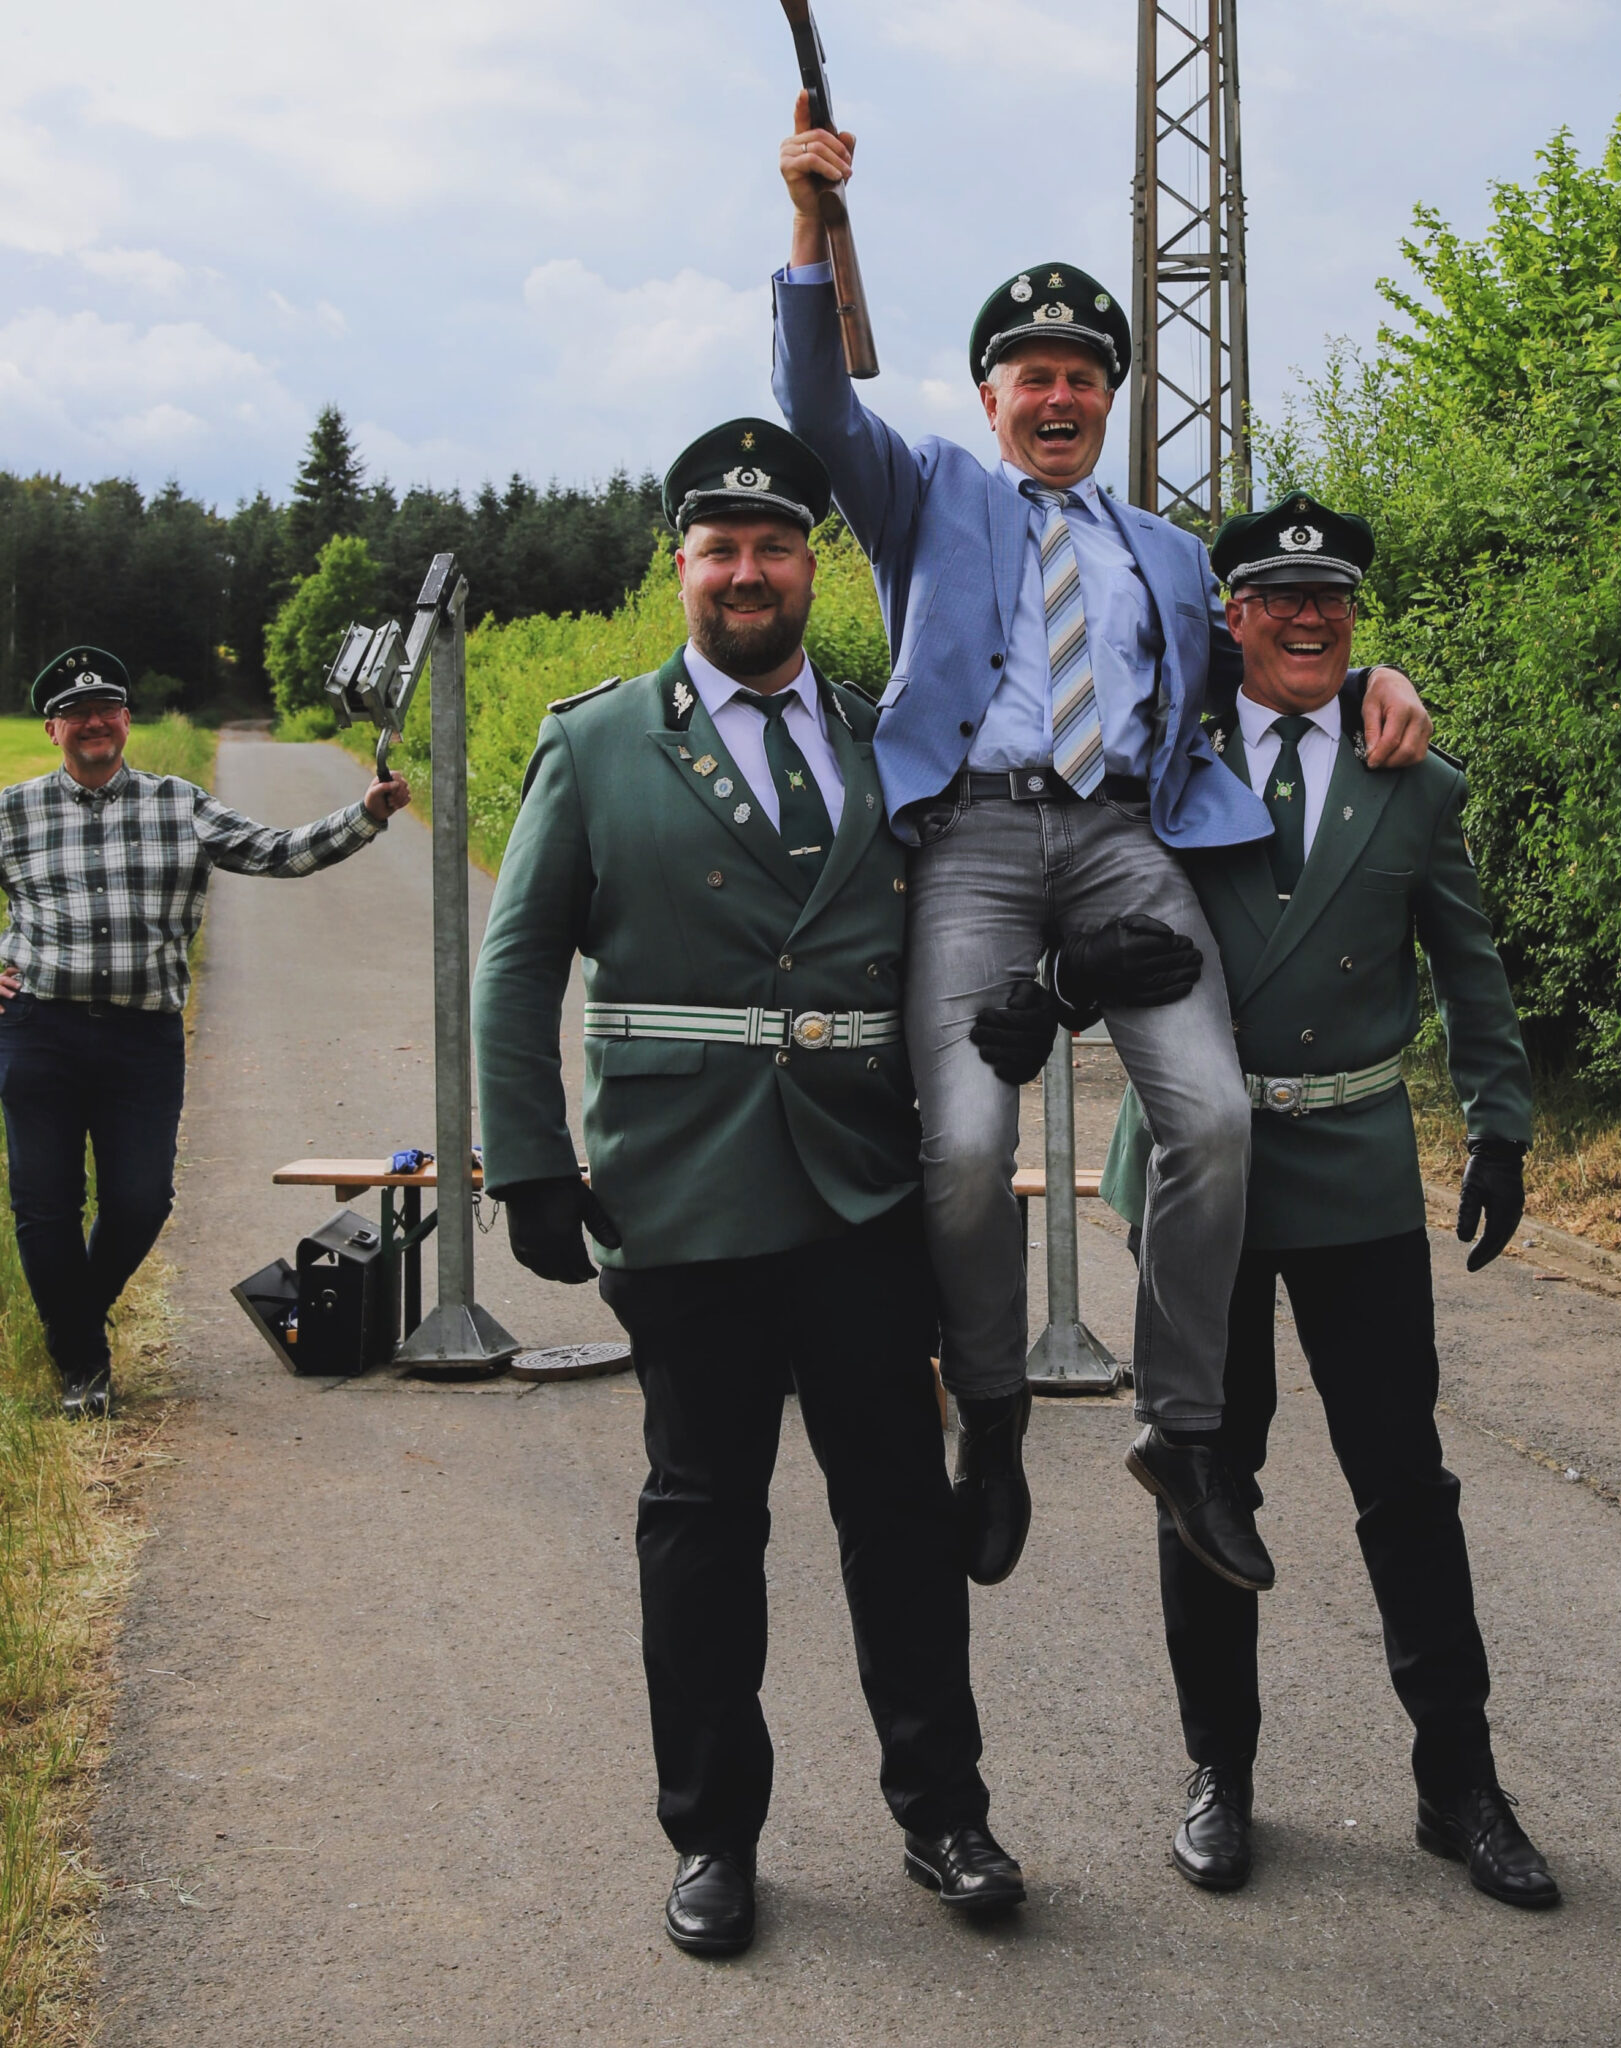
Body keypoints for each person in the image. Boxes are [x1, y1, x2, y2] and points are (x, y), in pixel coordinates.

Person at [772, 99, 1435, 1594]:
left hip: (1132, 844)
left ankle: (1183, 1430)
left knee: (1213, 1121)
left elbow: (1268, 674)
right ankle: (993, 1416)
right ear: (992, 395)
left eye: (1083, 376)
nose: (1058, 396)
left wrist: (1379, 675)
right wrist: (811, 221)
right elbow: (816, 407)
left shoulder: (1173, 556)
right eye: (1033, 375)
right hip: (980, 846)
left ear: (1111, 400)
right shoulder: (925, 494)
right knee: (960, 1146)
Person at [471, 419, 1026, 1961]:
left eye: (775, 545)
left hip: (858, 1189)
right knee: (703, 1527)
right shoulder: (595, 745)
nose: (747, 571)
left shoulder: (887, 740)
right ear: (680, 569)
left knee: (900, 1521)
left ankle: (944, 1813)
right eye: (719, 548)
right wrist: (528, 1160)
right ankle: (713, 1838)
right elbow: (516, 969)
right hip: (686, 1195)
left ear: (810, 565)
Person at [1098, 495, 1561, 1910]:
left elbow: (1470, 968)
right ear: (1228, 618)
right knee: (1206, 1484)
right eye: (1279, 599)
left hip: (1357, 1167)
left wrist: (1500, 1126)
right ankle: (1219, 1775)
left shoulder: (1414, 779)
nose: (1310, 620)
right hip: (1202, 1172)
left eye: (1335, 604)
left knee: (1403, 1487)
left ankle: (1458, 1782)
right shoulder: (1160, 760)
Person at [0, 648, 411, 1418]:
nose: (95, 722)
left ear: (125, 720)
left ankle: (75, 1317)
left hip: (142, 1039)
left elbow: (279, 853)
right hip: (38, 1032)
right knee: (44, 1204)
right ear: (53, 728)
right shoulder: (13, 813)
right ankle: (81, 1363)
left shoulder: (176, 803)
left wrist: (367, 816)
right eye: (77, 713)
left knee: (140, 1199)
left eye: (108, 708)